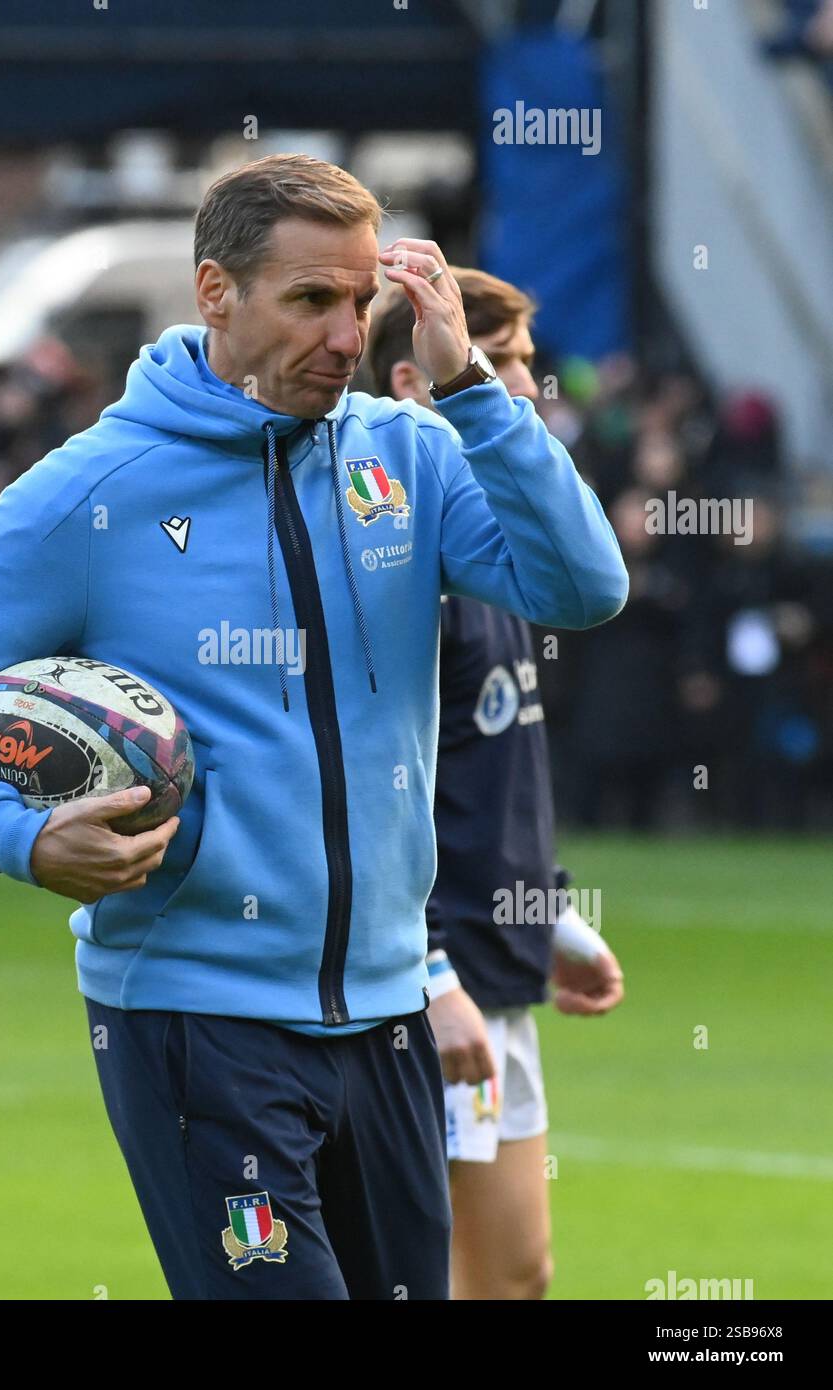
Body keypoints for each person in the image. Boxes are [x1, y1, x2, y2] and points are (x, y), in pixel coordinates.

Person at [0, 154, 628, 1301]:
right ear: (215, 292)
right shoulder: (90, 491)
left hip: (391, 1016)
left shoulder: (410, 455)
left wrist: (477, 394)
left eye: (360, 301)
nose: (344, 330)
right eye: (310, 298)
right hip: (195, 1023)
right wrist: (18, 839)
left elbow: (582, 585)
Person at [366, 269, 625, 1299]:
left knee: (517, 1277)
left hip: (500, 974)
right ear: (411, 377)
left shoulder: (502, 548)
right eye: (499, 359)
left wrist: (550, 916)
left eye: (518, 360)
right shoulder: (400, 566)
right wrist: (429, 971)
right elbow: (376, 790)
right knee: (418, 1279)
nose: (524, 384)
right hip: (426, 987)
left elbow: (489, 773)